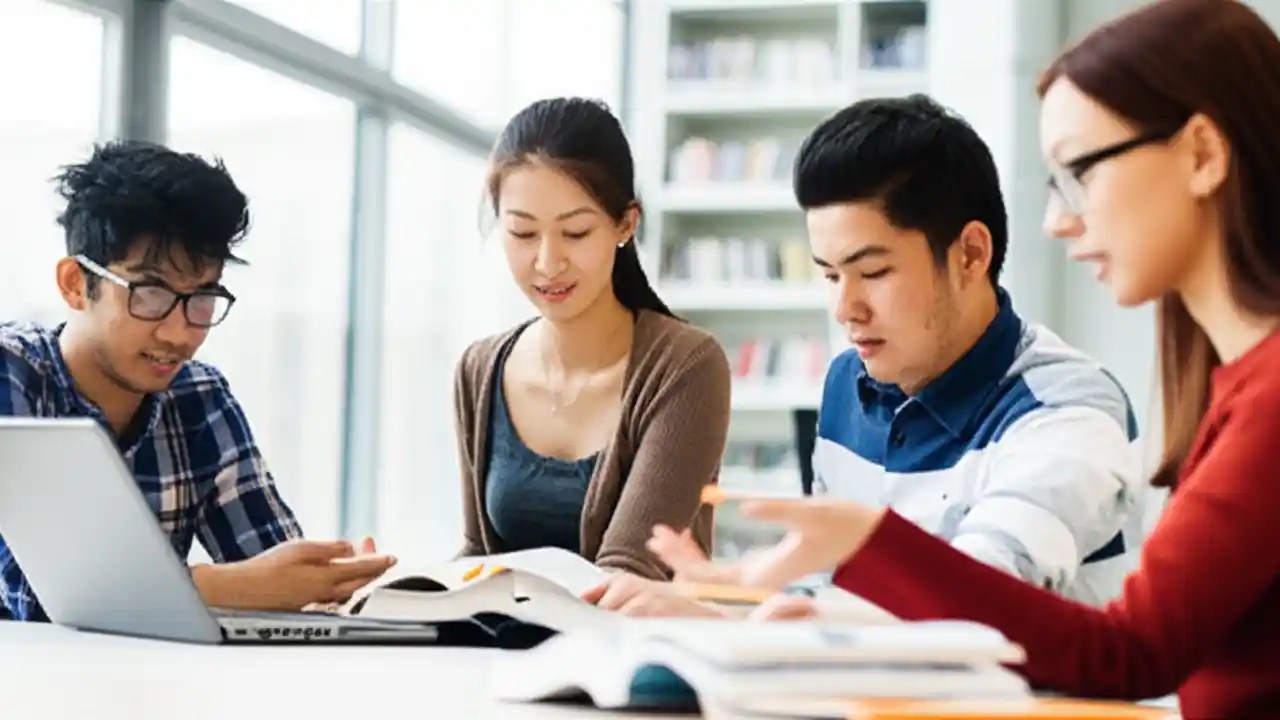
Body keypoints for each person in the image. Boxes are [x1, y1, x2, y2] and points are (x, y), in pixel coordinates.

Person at [649, 0, 1280, 716]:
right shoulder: (1236, 388)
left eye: (1082, 172)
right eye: (828, 275)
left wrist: (866, 545)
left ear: (1202, 154)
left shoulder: (1247, 400)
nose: (1057, 219)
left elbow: (1126, 652)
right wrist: (735, 608)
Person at [585, 94, 1145, 616]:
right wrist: (714, 603)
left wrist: (731, 617)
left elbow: (978, 598)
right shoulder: (849, 382)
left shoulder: (1070, 409)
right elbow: (836, 590)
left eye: (872, 273)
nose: (844, 308)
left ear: (971, 254)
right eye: (829, 275)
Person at [0, 141, 394, 622]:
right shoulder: (12, 371)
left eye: (202, 298)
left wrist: (332, 580)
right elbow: (32, 599)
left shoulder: (198, 395)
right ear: (76, 284)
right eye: (149, 294)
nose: (179, 332)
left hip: (150, 684)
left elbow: (270, 563)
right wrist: (232, 586)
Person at [453, 97, 731, 581]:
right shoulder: (479, 370)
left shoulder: (686, 365)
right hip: (503, 655)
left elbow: (630, 571)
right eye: (522, 233)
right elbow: (479, 555)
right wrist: (399, 590)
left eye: (576, 233)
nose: (547, 262)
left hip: (630, 649)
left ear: (626, 224)